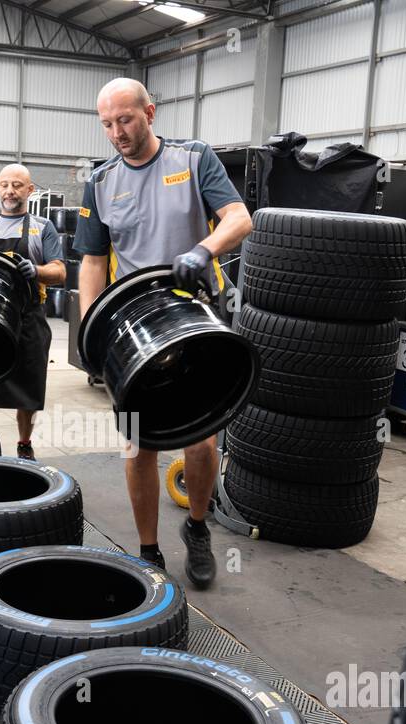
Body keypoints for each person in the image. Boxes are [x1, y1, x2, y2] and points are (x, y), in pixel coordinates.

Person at [74, 78, 253, 589]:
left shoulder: (193, 160)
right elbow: (90, 261)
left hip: (195, 322)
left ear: (150, 112)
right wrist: (91, 327)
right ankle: (148, 549)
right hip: (133, 331)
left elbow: (240, 218)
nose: (116, 132)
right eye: (107, 124)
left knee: (199, 443)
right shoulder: (102, 181)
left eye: (125, 120)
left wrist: (204, 251)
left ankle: (197, 528)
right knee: (138, 445)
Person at [0, 163, 67, 460]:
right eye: (5, 185)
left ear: (30, 189)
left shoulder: (42, 227)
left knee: (29, 391)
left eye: (17, 185)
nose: (10, 191)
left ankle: (24, 444)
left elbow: (60, 271)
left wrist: (35, 270)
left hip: (28, 320)